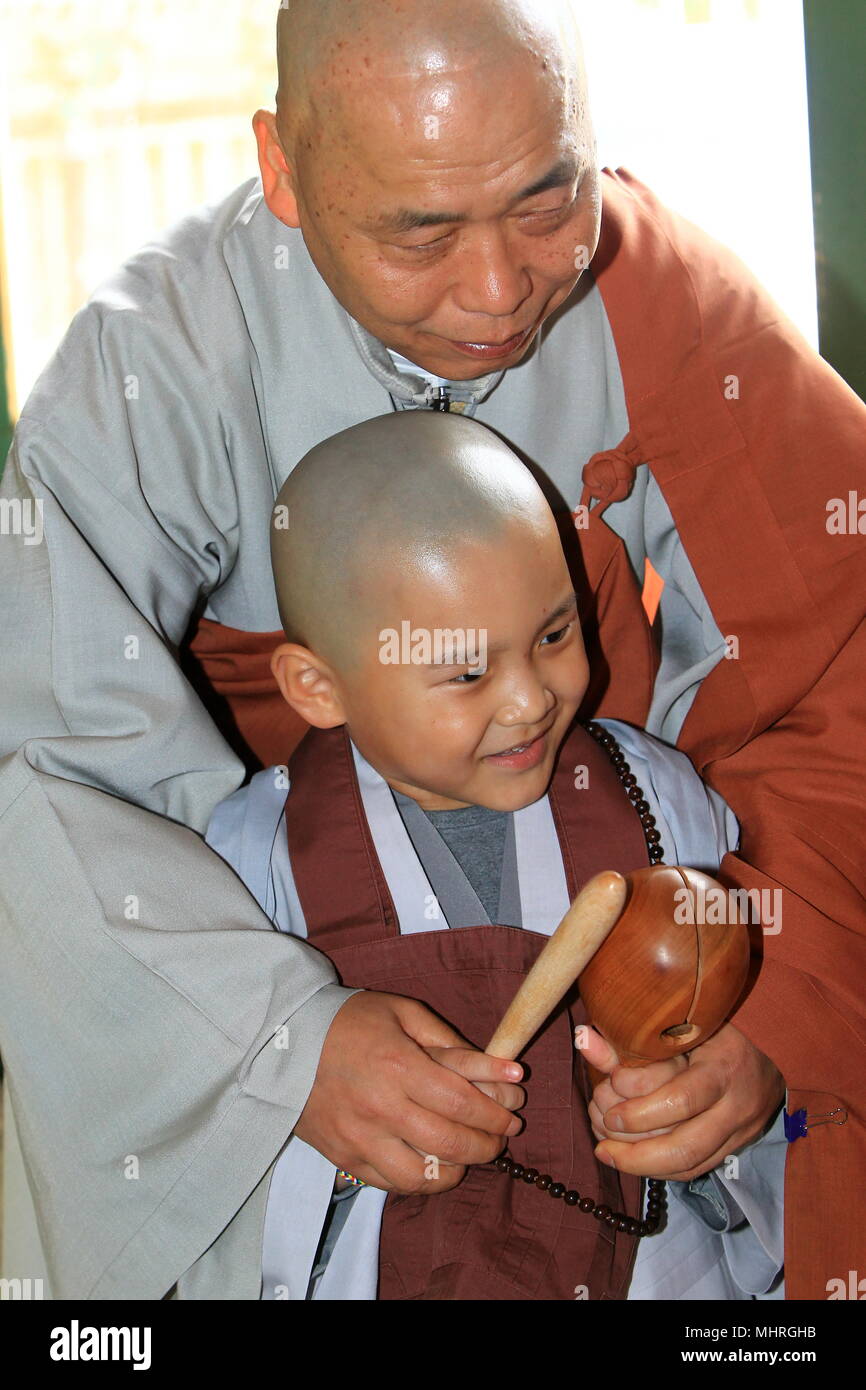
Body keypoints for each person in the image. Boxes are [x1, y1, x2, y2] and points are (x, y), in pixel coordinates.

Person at [0, 0, 862, 1299]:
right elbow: (38, 756)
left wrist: (770, 1008)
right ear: (280, 167)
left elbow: (842, 657)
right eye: (420, 232)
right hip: (286, 911)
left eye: (543, 197)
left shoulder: (662, 299)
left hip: (613, 897)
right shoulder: (156, 360)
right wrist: (274, 1039)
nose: (500, 290)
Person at [207, 408, 787, 1301]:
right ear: (318, 687)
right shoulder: (250, 863)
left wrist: (717, 1104)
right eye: (468, 672)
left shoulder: (658, 805)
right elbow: (205, 1141)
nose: (529, 701)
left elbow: (764, 1026)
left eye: (554, 636)